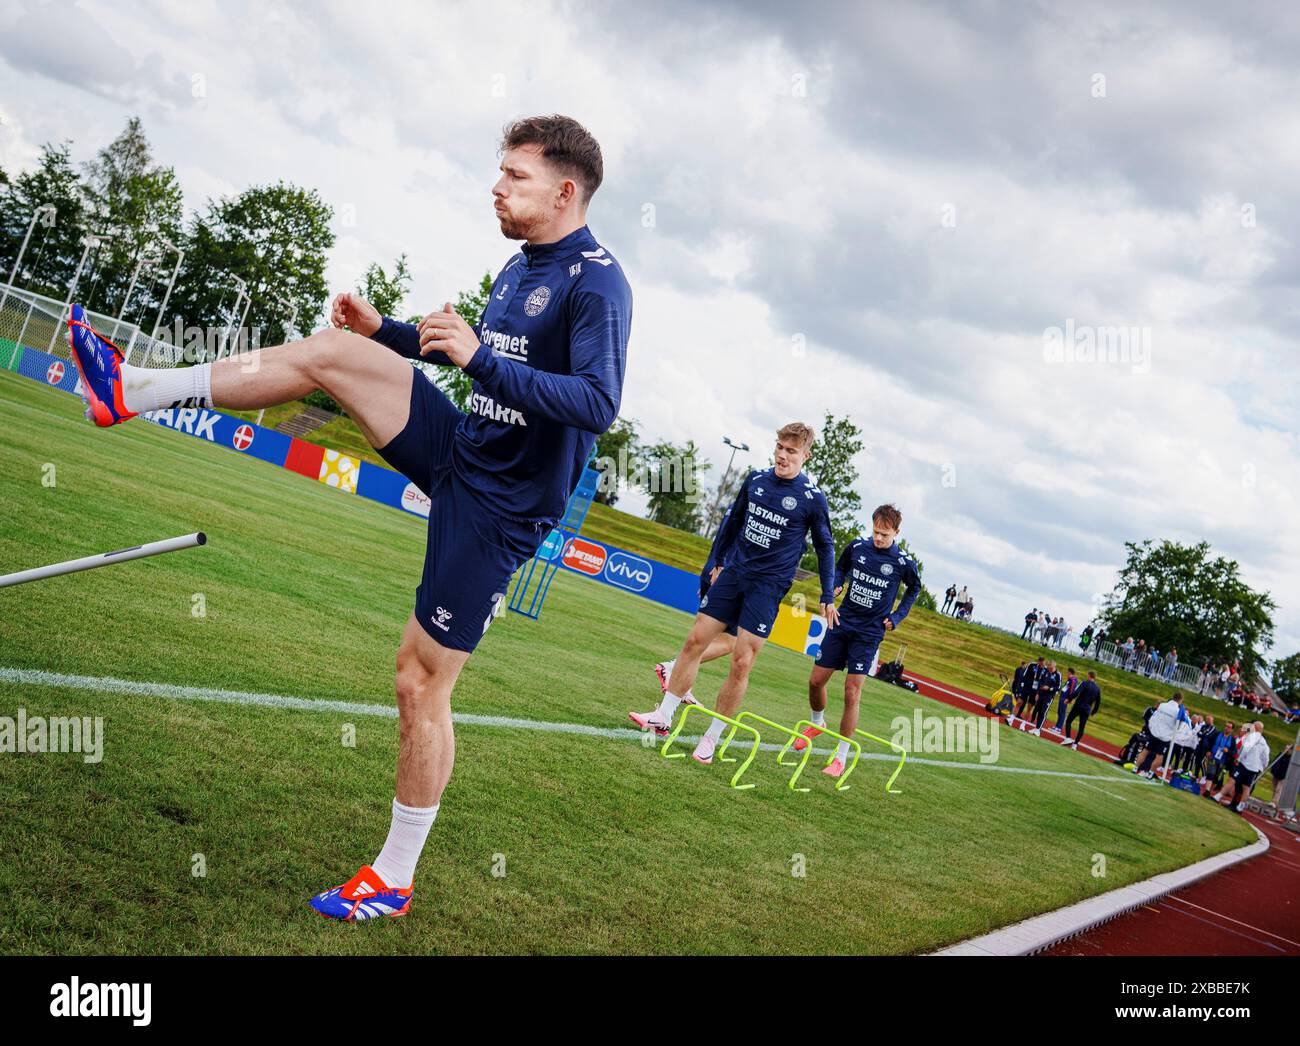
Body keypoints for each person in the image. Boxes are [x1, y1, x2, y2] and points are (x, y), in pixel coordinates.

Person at [66, 115, 630, 920]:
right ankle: (135, 390)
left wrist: (480, 359)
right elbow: (456, 352)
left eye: (515, 175)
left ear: (565, 190)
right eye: (500, 172)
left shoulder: (598, 282)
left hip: (502, 508)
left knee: (418, 682)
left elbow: (597, 402)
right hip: (461, 449)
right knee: (334, 351)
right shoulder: (518, 268)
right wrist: (389, 334)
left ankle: (394, 877)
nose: (497, 186)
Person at [629, 424, 838, 763]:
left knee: (741, 663)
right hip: (735, 573)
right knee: (694, 641)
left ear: (805, 455)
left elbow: (826, 547)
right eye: (780, 447)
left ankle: (712, 737)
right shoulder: (755, 480)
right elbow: (732, 522)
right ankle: (663, 716)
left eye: (791, 451)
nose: (783, 455)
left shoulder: (812, 499)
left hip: (768, 587)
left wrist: (827, 594)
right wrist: (714, 562)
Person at [791, 505, 921, 777]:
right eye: (876, 531)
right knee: (815, 681)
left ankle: (839, 757)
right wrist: (836, 585)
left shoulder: (902, 562)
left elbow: (914, 589)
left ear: (896, 532)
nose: (878, 538)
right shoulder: (858, 547)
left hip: (869, 633)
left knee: (852, 692)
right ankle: (817, 723)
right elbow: (840, 568)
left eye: (885, 534)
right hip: (841, 622)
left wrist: (896, 617)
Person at [1214, 722, 1270, 812]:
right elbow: (1266, 757)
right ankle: (1240, 806)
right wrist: (1263, 766)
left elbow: (1245, 749)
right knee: (1246, 787)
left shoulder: (1252, 736)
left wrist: (1239, 759)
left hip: (1245, 764)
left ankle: (1218, 796)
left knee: (1232, 780)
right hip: (1254, 768)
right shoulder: (1264, 742)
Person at [1134, 692, 1190, 778]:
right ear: (1181, 700)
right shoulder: (1177, 711)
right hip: (1165, 737)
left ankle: (1135, 768)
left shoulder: (1163, 705)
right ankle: (1150, 773)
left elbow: (1154, 717)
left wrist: (1152, 728)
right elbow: (1181, 725)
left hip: (1154, 733)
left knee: (1145, 751)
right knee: (1159, 756)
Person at [1061, 671, 1101, 749]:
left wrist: (1069, 699)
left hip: (1078, 706)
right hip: (1087, 709)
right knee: (1081, 727)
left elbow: (1076, 692)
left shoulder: (1084, 683)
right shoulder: (1097, 688)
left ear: (1089, 675)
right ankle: (1075, 744)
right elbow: (1098, 702)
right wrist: (1094, 711)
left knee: (1069, 721)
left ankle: (1068, 738)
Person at [1008, 657, 1045, 729]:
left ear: (1044, 662)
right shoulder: (1032, 665)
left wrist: (1039, 692)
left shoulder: (1046, 670)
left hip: (1035, 691)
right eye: (1039, 661)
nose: (1039, 662)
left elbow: (1044, 681)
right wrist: (1022, 686)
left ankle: (1023, 724)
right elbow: (1024, 675)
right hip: (1027, 687)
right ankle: (1011, 719)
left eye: (1041, 661)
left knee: (1030, 707)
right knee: (1019, 702)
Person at [1200, 722, 1234, 794]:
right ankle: (1207, 791)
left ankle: (1210, 791)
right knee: (1211, 773)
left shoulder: (1232, 740)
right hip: (1213, 757)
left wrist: (1228, 750)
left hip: (1222, 761)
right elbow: (1208, 740)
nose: (1226, 728)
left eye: (1229, 727)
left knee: (1216, 776)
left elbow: (1234, 752)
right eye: (1226, 726)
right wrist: (1208, 750)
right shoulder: (1217, 734)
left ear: (1232, 730)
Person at [1029, 659, 1061, 736]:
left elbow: (1058, 687)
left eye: (1050, 667)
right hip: (1041, 694)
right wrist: (1037, 693)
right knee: (1038, 711)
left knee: (1043, 712)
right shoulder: (1046, 671)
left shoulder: (1058, 675)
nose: (1049, 668)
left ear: (1054, 666)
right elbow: (1040, 682)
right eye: (1048, 666)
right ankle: (1036, 728)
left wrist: (1049, 688)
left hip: (1049, 696)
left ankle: (1038, 730)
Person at [1054, 666, 1080, 733]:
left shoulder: (1073, 680)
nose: (1066, 673)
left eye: (1067, 672)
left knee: (1062, 713)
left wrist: (1069, 699)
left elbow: (1072, 691)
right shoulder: (1069, 680)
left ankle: (1059, 728)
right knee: (1059, 712)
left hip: (1065, 698)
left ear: (1070, 672)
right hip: (1062, 697)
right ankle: (1057, 726)